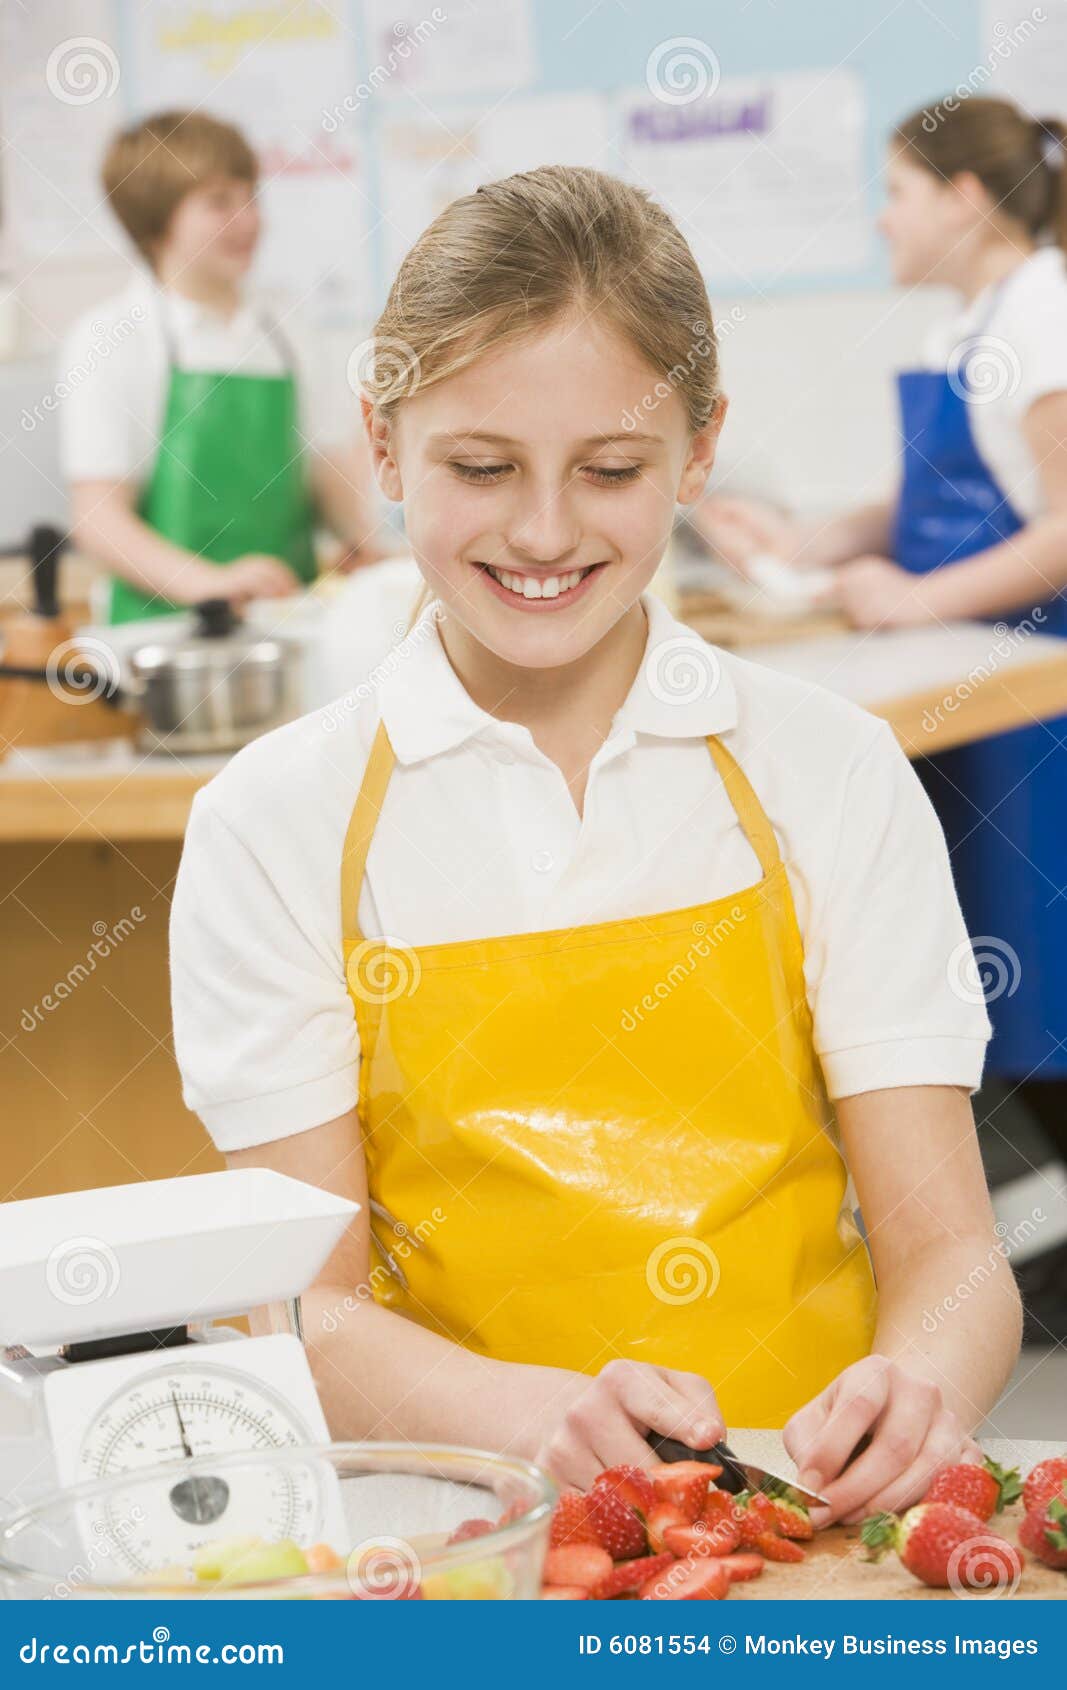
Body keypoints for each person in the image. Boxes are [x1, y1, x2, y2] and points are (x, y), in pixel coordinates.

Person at [171, 166, 1020, 1522]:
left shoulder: (829, 772)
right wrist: (536, 1417)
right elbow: (297, 1310)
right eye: (480, 465)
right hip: (462, 1529)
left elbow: (951, 1253)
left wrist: (913, 1388)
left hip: (794, 1523)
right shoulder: (273, 823)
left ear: (697, 449)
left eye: (612, 469)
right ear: (384, 450)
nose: (545, 530)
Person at [696, 96, 1067, 1163]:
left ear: (960, 198)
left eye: (894, 191)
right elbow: (926, 499)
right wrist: (804, 541)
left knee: (1037, 958)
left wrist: (911, 600)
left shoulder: (1040, 312)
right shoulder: (970, 322)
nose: (878, 219)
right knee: (993, 956)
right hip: (970, 689)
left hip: (1031, 696)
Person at [59, 110, 384, 624]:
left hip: (287, 618)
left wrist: (361, 538)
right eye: (219, 203)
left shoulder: (287, 333)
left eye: (251, 195)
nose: (249, 219)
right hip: (165, 636)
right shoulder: (111, 338)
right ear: (156, 219)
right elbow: (98, 518)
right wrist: (210, 584)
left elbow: (325, 469)